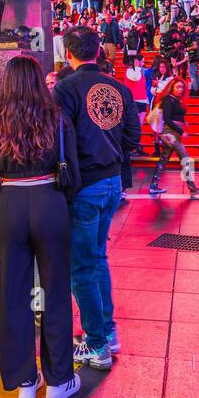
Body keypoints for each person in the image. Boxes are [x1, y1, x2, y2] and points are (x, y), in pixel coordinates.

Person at [0, 55, 82, 398]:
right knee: (55, 293)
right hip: (50, 203)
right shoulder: (58, 120)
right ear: (38, 83)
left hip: (10, 206)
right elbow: (73, 176)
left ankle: (25, 382)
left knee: (14, 294)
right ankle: (60, 379)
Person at [55, 25, 141, 370]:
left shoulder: (66, 89)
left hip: (84, 185)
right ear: (98, 51)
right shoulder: (119, 88)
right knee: (98, 258)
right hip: (113, 182)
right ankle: (107, 330)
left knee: (81, 266)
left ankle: (96, 344)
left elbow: (59, 138)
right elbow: (134, 135)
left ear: (69, 53)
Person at [147, 78, 199, 196]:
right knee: (185, 157)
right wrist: (181, 131)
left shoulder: (176, 100)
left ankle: (153, 186)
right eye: (177, 87)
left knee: (164, 158)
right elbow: (168, 119)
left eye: (182, 87)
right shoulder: (168, 100)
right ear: (171, 88)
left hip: (173, 133)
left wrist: (183, 123)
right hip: (169, 133)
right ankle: (192, 187)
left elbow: (176, 116)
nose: (180, 90)